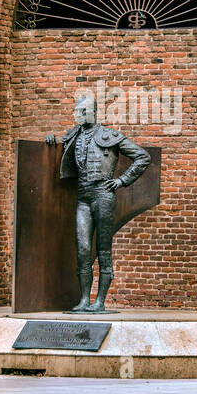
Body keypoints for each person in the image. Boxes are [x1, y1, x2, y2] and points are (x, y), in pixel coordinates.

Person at [45, 92, 151, 311]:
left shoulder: (109, 135)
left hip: (103, 195)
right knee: (83, 248)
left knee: (103, 249)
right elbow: (60, 152)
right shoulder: (73, 135)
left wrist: (121, 181)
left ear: (91, 112)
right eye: (77, 111)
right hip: (83, 196)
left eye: (81, 111)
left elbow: (142, 157)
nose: (77, 115)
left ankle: (99, 302)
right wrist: (50, 140)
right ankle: (84, 300)